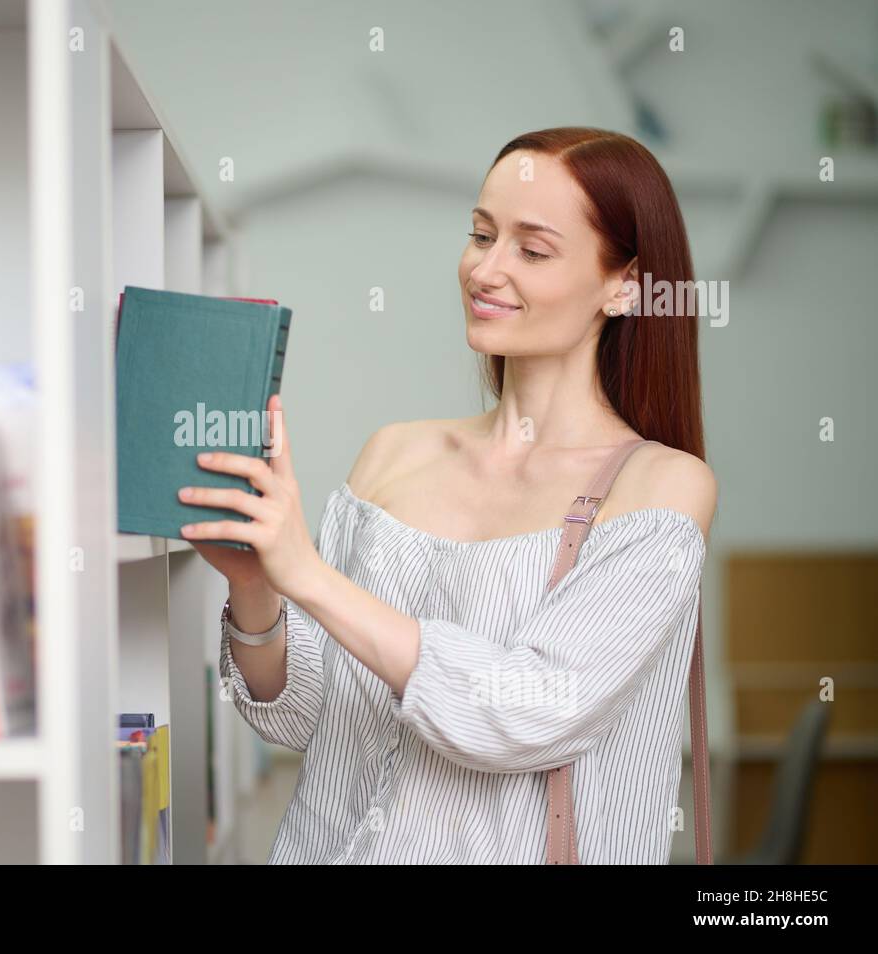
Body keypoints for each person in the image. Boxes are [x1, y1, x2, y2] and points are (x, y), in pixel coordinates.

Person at [180, 127, 718, 864]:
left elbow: (527, 711)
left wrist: (306, 574)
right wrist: (257, 587)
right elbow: (301, 717)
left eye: (532, 251)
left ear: (623, 284)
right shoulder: (394, 453)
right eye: (481, 235)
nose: (486, 271)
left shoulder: (660, 488)